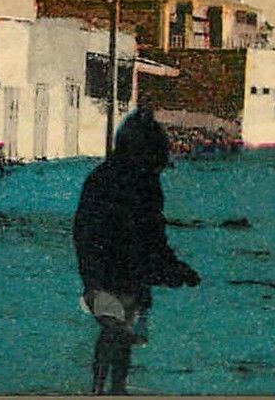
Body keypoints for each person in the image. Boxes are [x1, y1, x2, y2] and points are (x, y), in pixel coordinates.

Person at [72, 107, 201, 395]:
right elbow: (149, 232)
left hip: (109, 266)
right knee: (118, 328)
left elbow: (145, 231)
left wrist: (168, 267)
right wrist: (169, 268)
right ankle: (110, 388)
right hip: (117, 267)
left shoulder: (105, 177)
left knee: (117, 328)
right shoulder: (137, 182)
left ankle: (107, 388)